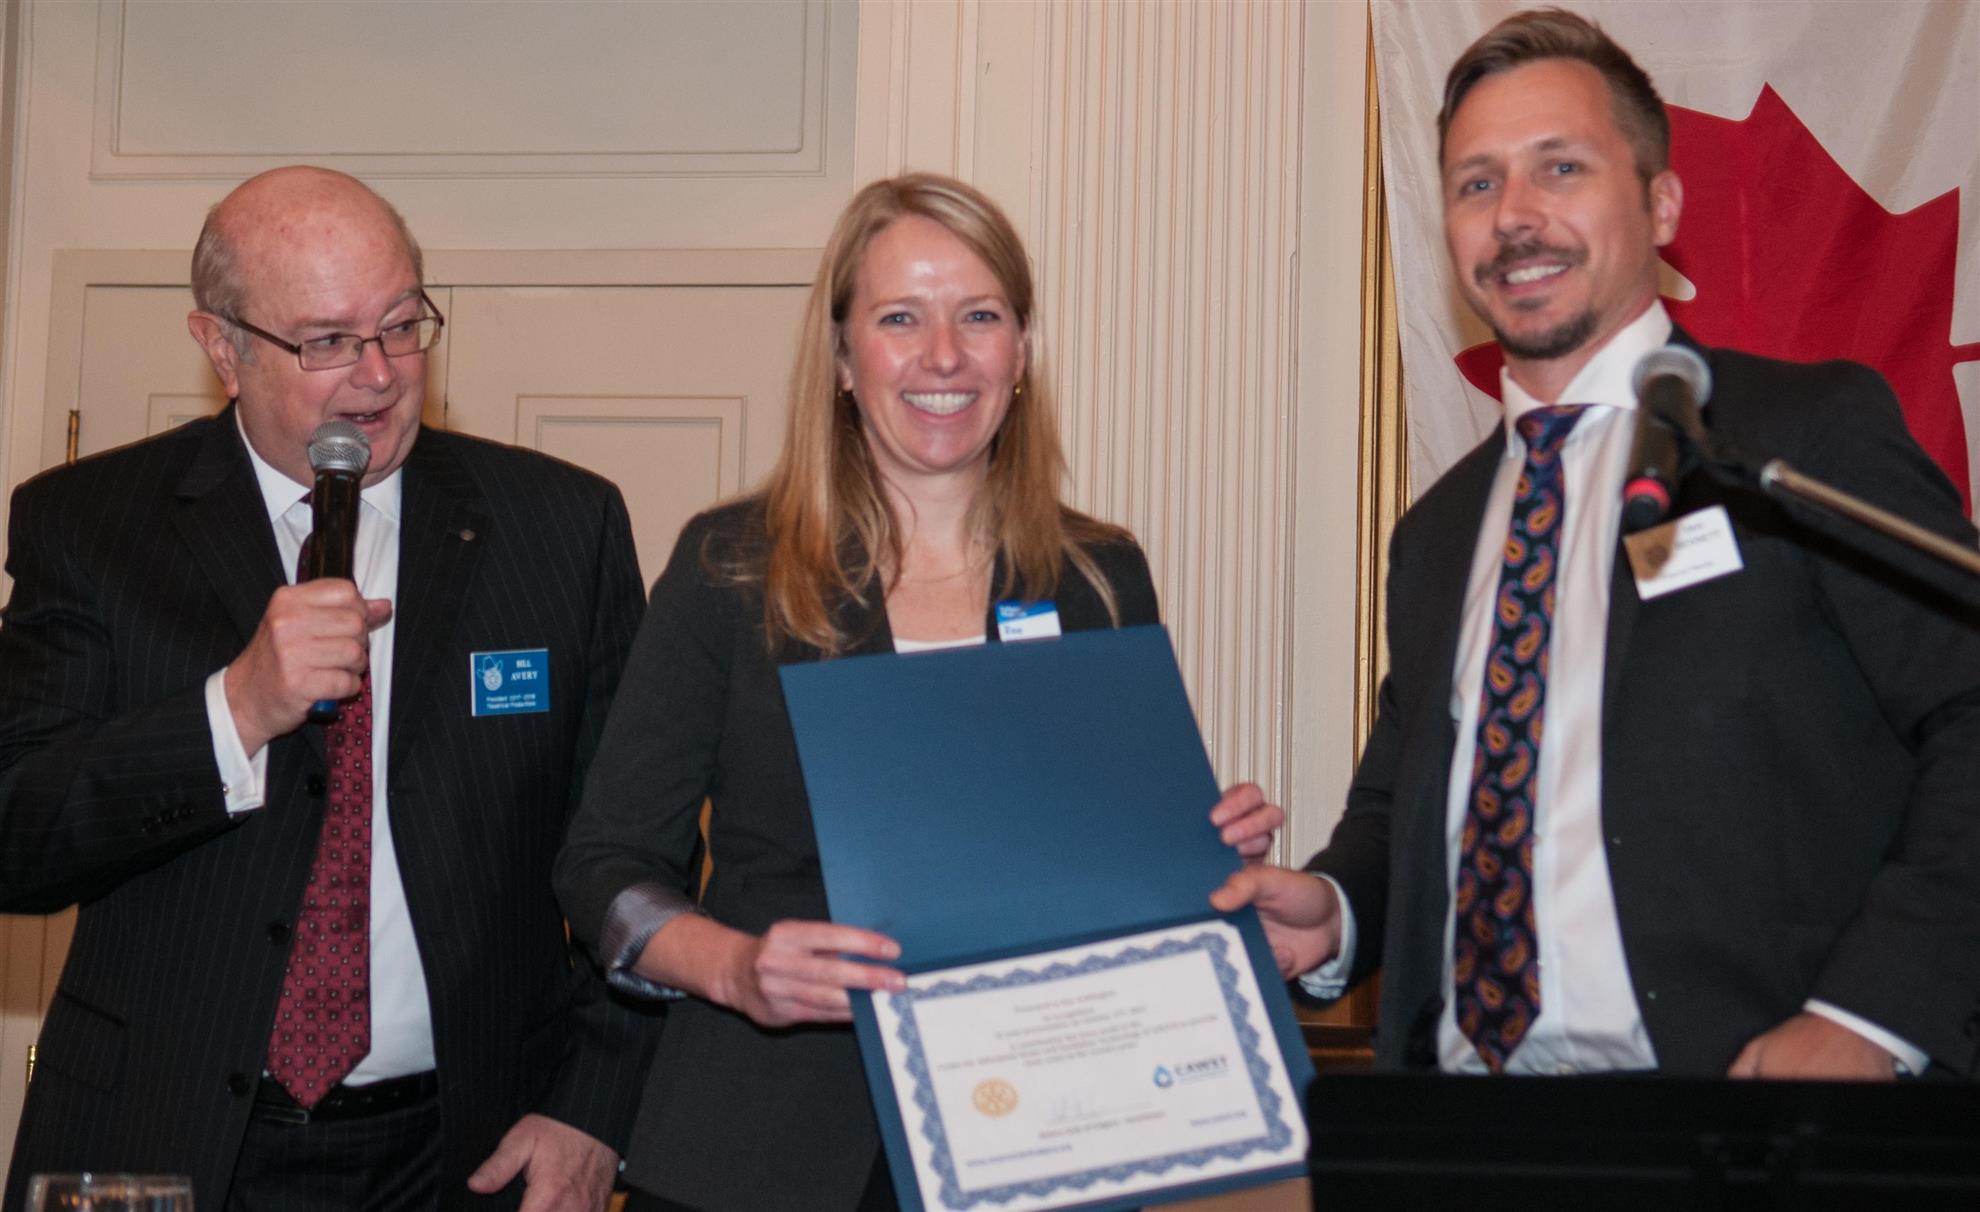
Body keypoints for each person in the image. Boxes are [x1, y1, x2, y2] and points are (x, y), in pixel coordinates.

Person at [1214, 8, 1980, 1079]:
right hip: (1463, 1135)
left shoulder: (1794, 443)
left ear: (1660, 203)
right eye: (1476, 184)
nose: (1513, 217)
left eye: (1559, 169)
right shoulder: (1436, 536)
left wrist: (1868, 1017)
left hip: (1742, 1117)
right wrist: (1337, 906)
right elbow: (1408, 804)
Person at [553, 172, 1282, 1210]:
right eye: (901, 318)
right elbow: (604, 865)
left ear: (1021, 353)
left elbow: (1103, 871)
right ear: (844, 358)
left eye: (978, 316)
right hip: (764, 1143)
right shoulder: (733, 566)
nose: (944, 356)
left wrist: (1194, 851)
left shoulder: (1098, 577)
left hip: (1043, 1131)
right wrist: (737, 969)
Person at [0, 167, 657, 1209]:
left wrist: (596, 1109)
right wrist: (234, 712)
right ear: (222, 348)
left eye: (402, 324)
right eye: (327, 341)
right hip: (166, 1142)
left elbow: (644, 854)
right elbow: (15, 835)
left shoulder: (561, 529)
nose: (380, 373)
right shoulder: (91, 526)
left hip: (471, 1150)